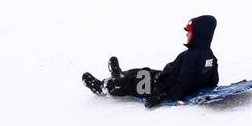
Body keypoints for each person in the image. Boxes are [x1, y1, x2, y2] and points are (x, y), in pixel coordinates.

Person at [82, 16, 220, 108]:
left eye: (189, 32)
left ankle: (103, 87)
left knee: (131, 83)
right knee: (141, 72)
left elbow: (182, 84)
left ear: (198, 35)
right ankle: (120, 75)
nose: (187, 34)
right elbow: (213, 81)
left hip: (159, 86)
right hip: (163, 77)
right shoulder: (210, 56)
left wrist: (162, 96)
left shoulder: (190, 57)